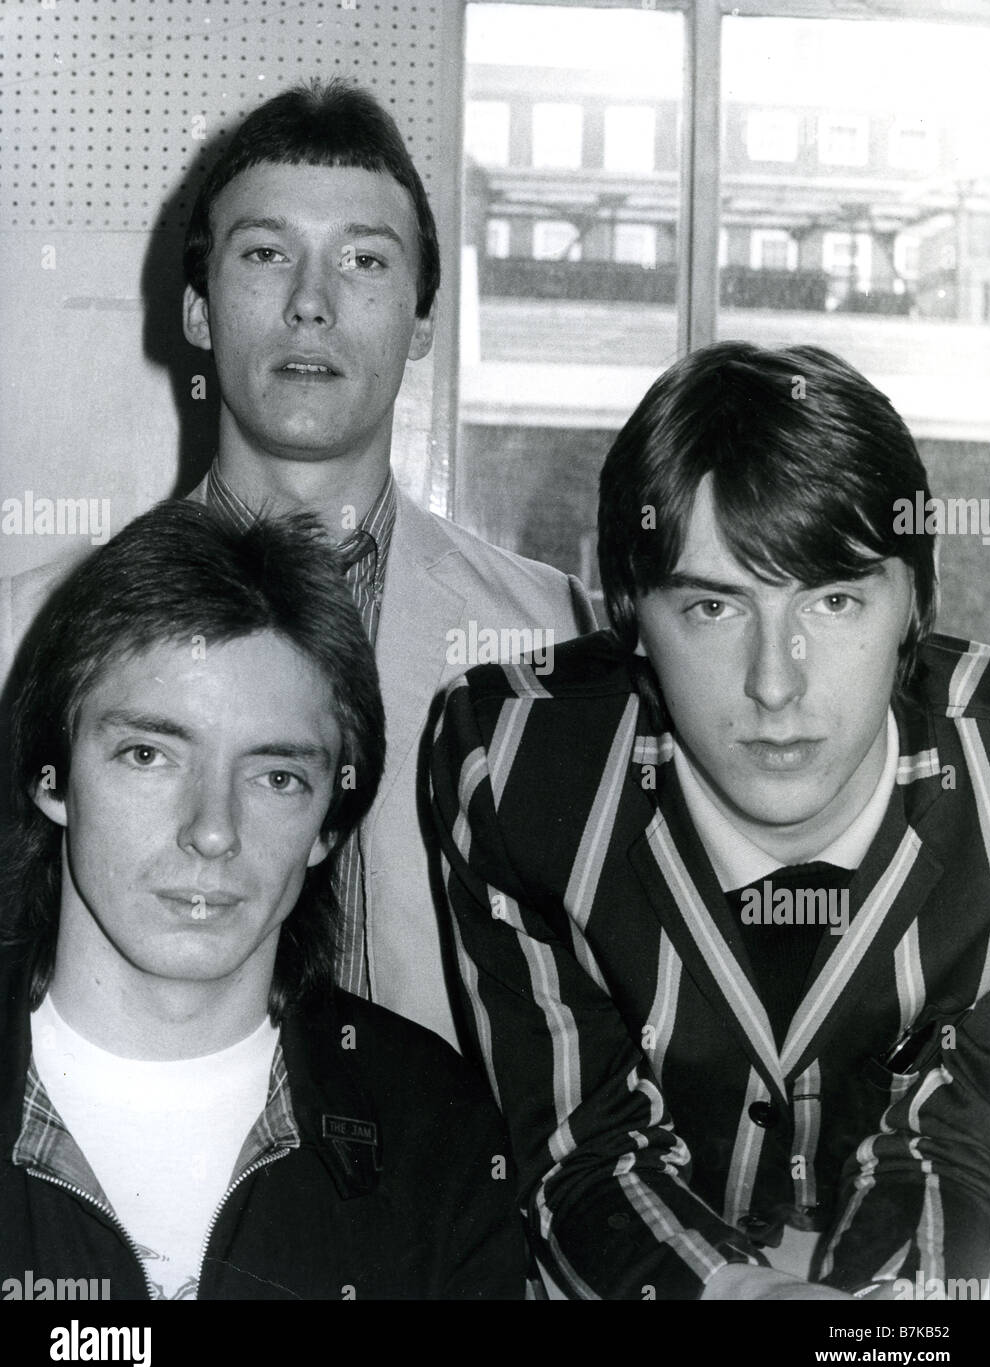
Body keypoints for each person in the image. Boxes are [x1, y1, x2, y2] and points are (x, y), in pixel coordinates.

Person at [0, 77, 594, 1048]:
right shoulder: (29, 629)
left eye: (363, 260)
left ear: (422, 324)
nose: (310, 304)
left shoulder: (554, 639)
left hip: (465, 1187)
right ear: (196, 309)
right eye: (267, 254)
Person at [430, 341, 990, 1301]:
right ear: (630, 617)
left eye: (836, 599)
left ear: (917, 606)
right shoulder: (517, 766)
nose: (776, 684)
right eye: (712, 607)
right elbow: (581, 1151)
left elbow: (956, 1137)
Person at [0, 500, 527, 1300]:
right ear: (54, 777)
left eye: (276, 777)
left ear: (328, 825)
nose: (213, 831)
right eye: (148, 754)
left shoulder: (433, 1131)